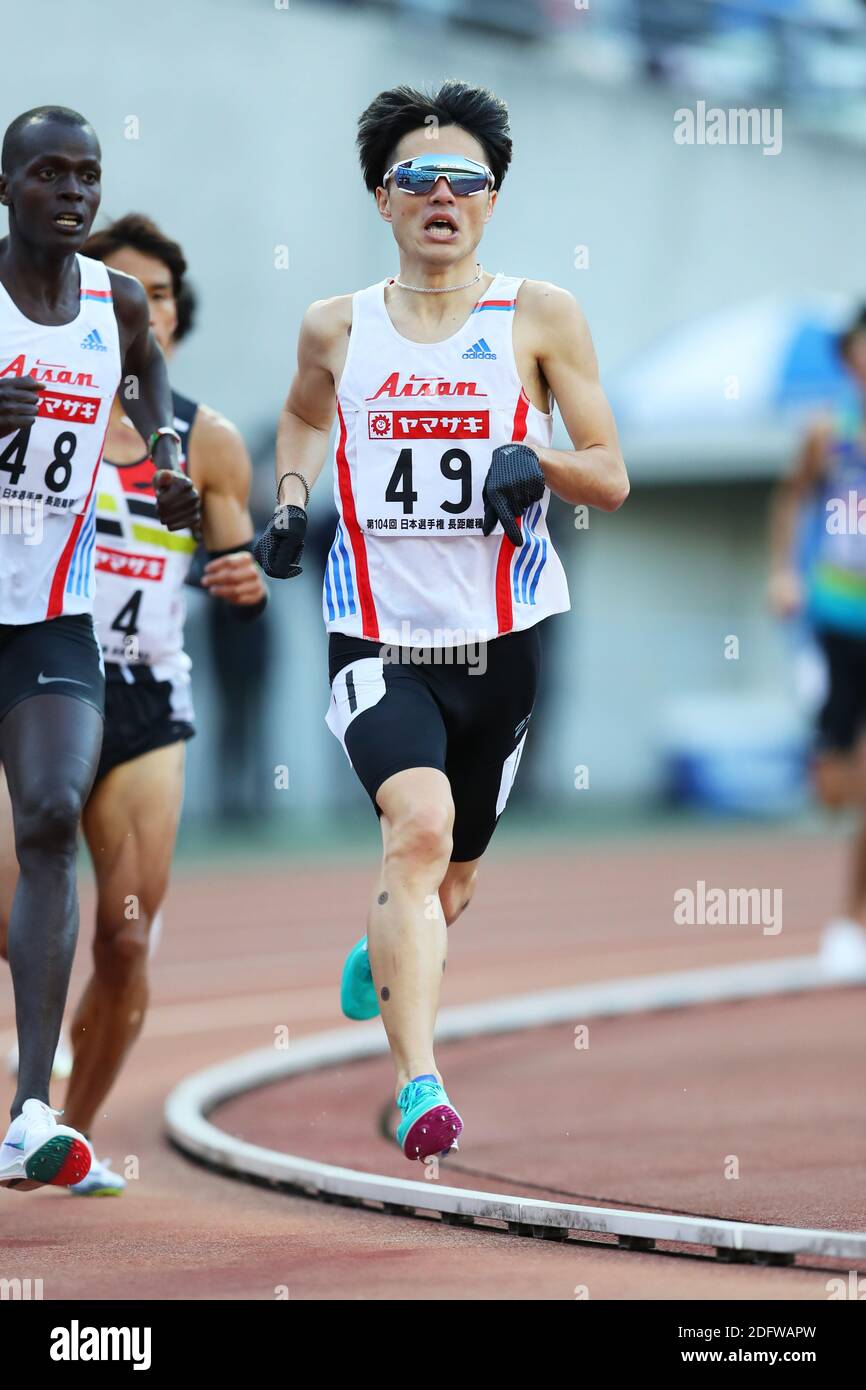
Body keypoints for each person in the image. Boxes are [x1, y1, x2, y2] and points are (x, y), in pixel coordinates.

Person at [255, 81, 628, 1162]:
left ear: (492, 199)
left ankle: (386, 948)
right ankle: (421, 1085)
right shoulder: (336, 323)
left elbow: (608, 475)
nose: (441, 194)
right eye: (416, 176)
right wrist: (288, 499)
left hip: (501, 642)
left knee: (450, 877)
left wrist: (537, 462)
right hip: (377, 638)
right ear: (381, 198)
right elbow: (299, 413)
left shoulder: (541, 315)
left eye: (464, 179)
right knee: (414, 830)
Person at [0, 212, 267, 1194]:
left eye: (155, 297)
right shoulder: (24, 395)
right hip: (31, 666)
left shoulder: (208, 442)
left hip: (146, 695)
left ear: (171, 321)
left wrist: (238, 574)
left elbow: (236, 577)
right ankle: (36, 1079)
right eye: (121, 288)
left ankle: (61, 1135)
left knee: (122, 935)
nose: (135, 308)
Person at [0, 108, 199, 1190]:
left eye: (88, 174)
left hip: (49, 617)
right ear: (5, 189)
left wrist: (165, 450)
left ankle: (31, 1108)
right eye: (47, 173)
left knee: (47, 818)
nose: (72, 192)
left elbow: (147, 377)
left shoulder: (115, 305)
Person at [769, 304, 866, 977]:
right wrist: (782, 571)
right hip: (838, 613)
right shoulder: (828, 432)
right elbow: (793, 498)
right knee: (835, 791)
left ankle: (850, 919)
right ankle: (828, 763)